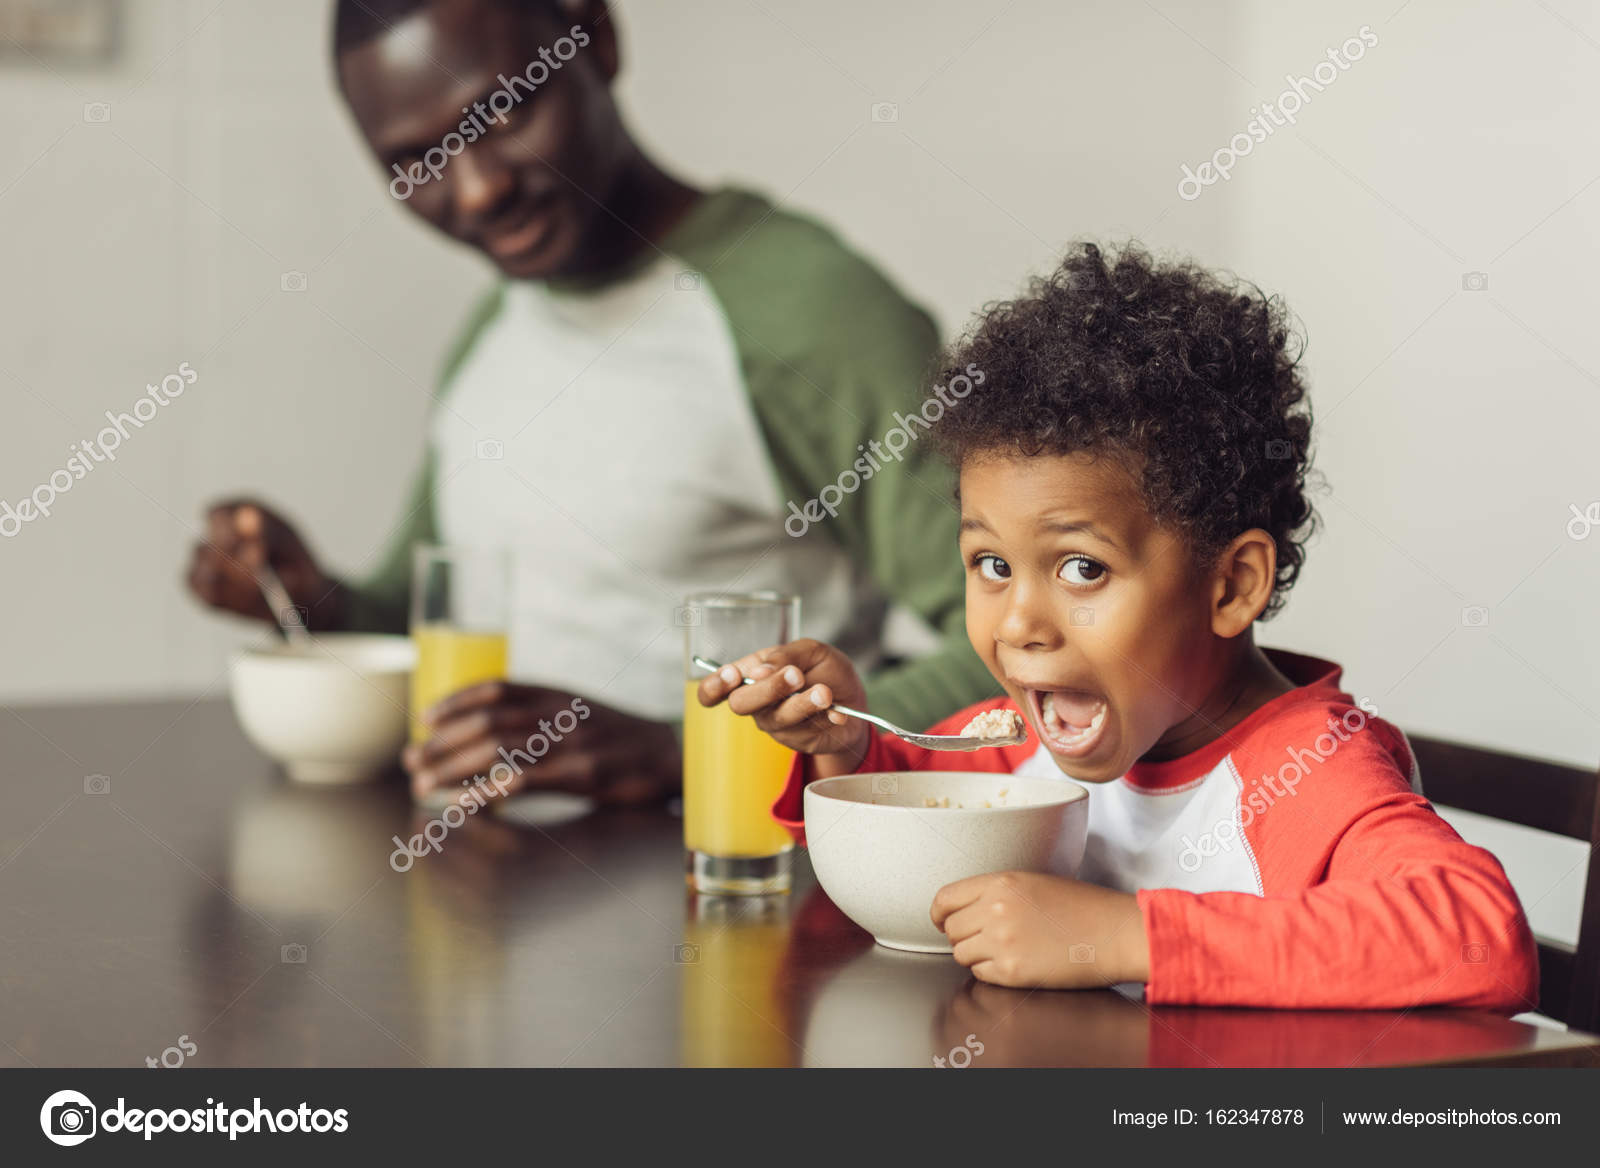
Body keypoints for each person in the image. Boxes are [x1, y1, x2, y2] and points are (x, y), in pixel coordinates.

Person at [186, 0, 996, 806]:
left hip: (725, 891)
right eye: (416, 161)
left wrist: (680, 753)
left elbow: (1018, 649)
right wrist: (308, 595)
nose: (475, 190)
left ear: (596, 42)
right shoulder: (498, 325)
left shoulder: (809, 311)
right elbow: (421, 615)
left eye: (501, 112)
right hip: (479, 893)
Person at [697, 242, 1538, 1010]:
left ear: (1231, 584)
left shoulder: (1306, 770)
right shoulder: (1029, 740)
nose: (1020, 621)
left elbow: (1477, 936)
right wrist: (845, 745)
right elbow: (919, 787)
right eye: (992, 565)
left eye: (1081, 569)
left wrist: (1122, 934)